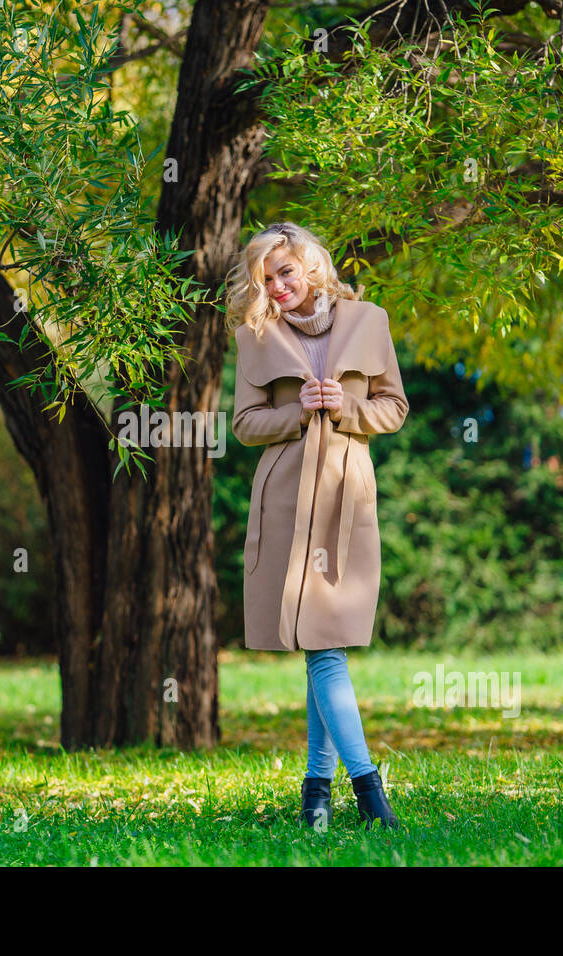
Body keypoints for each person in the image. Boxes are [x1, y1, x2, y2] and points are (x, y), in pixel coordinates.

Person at [225, 222, 410, 832]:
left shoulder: (368, 321)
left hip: (345, 497)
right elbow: (245, 424)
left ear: (311, 267)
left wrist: (346, 406)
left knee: (322, 642)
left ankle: (316, 791)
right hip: (283, 499)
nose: (277, 286)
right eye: (266, 277)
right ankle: (369, 796)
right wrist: (292, 412)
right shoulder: (256, 336)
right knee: (321, 647)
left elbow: (394, 408)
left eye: (286, 272)